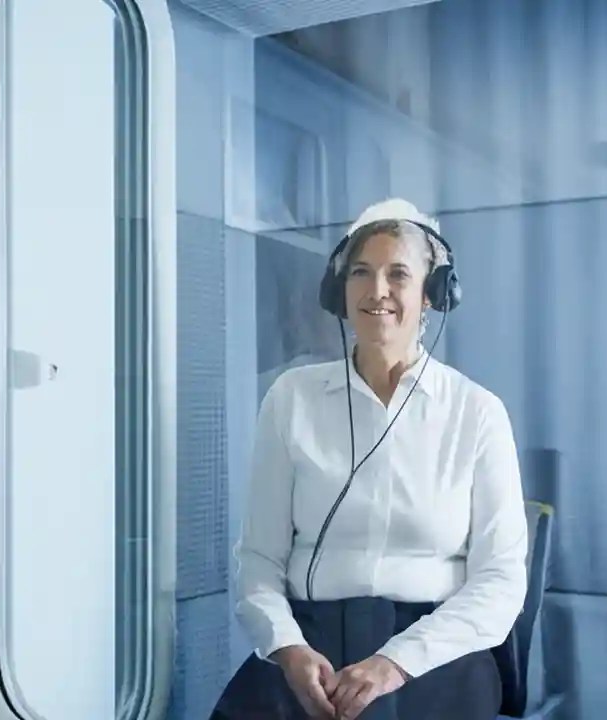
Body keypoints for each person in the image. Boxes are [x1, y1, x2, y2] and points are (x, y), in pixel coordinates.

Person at [215, 199, 528, 720]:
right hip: (307, 646)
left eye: (398, 274)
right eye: (361, 272)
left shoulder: (477, 411)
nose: (376, 289)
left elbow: (500, 581)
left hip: (432, 655)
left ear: (433, 294)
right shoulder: (291, 398)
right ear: (339, 289)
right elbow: (259, 561)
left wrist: (394, 663)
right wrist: (287, 649)